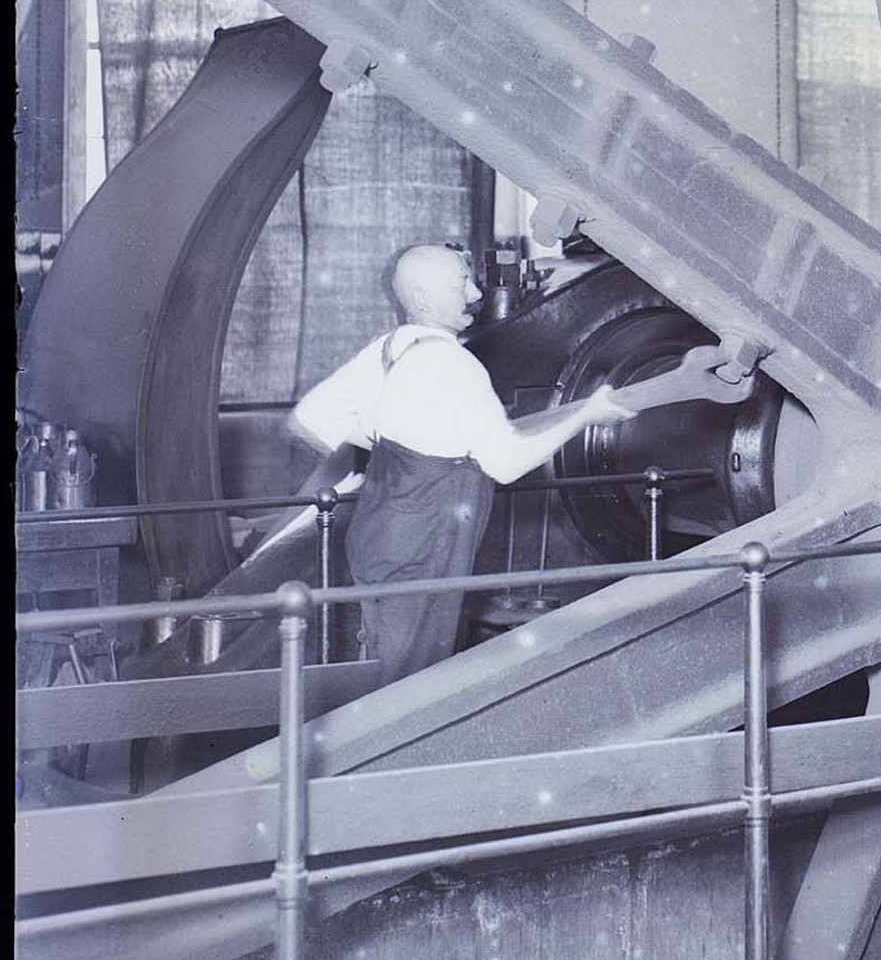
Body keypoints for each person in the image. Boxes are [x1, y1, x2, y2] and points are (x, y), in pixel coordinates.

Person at [291, 242, 752, 681]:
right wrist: (587, 415)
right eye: (461, 285)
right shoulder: (456, 367)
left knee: (380, 665)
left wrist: (394, 440)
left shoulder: (392, 348)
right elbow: (507, 464)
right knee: (409, 684)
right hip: (424, 552)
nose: (475, 295)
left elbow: (310, 418)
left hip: (378, 540)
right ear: (423, 300)